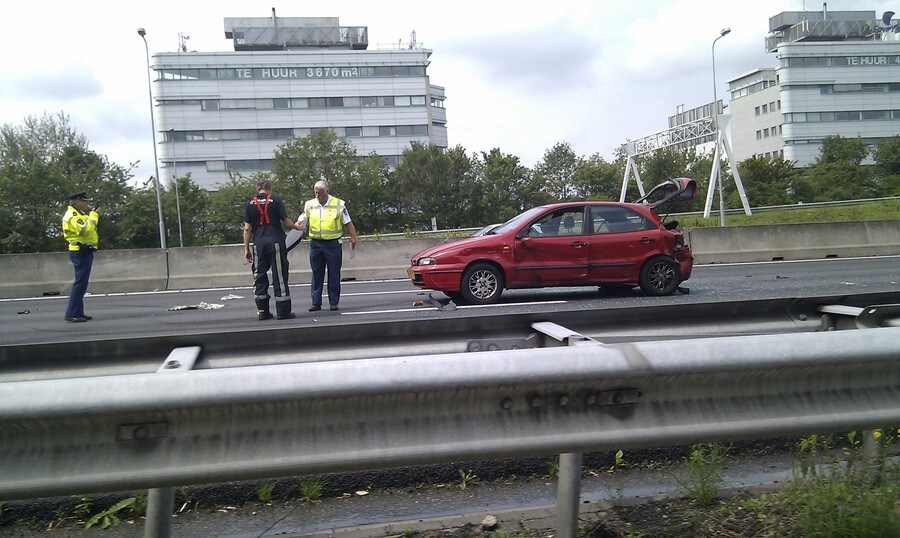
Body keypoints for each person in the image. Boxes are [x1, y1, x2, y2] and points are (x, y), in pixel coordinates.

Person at [243, 180, 305, 320]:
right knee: (280, 276)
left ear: (257, 189)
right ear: (269, 188)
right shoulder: (275, 200)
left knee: (259, 276)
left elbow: (247, 228)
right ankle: (283, 312)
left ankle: (263, 312)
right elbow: (287, 222)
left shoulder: (249, 204)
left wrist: (247, 249)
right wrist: (298, 227)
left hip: (258, 243)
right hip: (276, 242)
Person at [298, 180, 358, 311]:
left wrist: (353, 237)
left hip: (333, 243)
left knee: (334, 273)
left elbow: (348, 222)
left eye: (320, 193)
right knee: (316, 273)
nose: (318, 196)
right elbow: (304, 217)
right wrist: (298, 224)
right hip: (316, 244)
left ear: (327, 192)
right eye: (316, 193)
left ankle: (333, 302)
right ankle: (316, 302)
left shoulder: (338, 204)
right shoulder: (310, 204)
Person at [62, 191, 100, 322]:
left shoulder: (79, 214)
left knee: (82, 284)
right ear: (77, 202)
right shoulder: (72, 215)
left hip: (85, 251)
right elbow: (84, 230)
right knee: (79, 284)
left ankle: (78, 312)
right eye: (85, 201)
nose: (87, 203)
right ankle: (71, 313)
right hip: (80, 251)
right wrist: (94, 216)